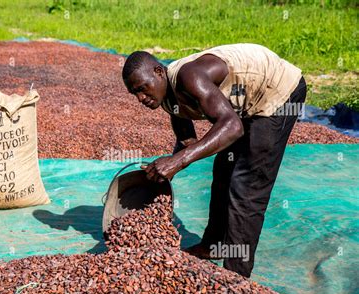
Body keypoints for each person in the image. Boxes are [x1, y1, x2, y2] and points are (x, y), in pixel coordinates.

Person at [122, 43, 307, 278]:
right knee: (223, 172)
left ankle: (236, 277)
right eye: (134, 93)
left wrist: (177, 162)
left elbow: (232, 127)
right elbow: (187, 144)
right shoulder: (167, 99)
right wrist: (165, 169)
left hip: (276, 91)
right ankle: (213, 245)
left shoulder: (190, 77)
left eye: (142, 88)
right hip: (244, 105)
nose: (140, 98)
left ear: (159, 72)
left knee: (246, 187)